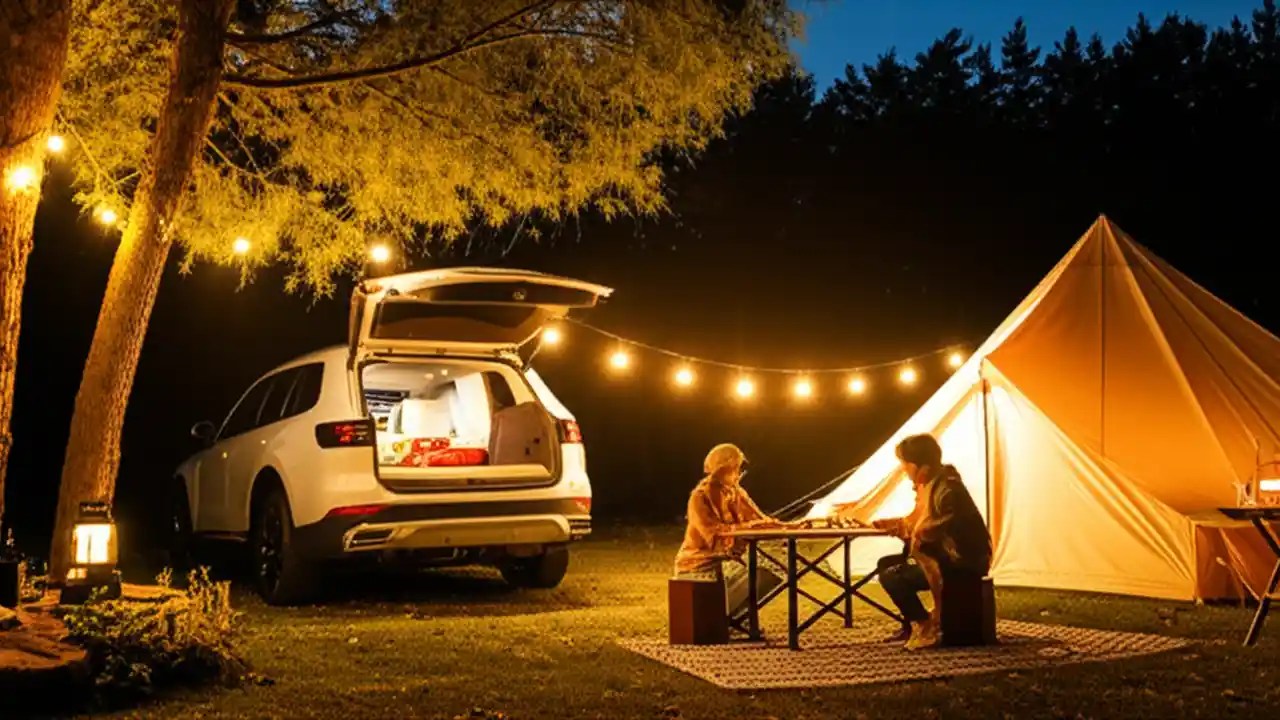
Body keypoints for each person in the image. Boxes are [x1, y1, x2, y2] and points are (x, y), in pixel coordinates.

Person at [870, 433, 992, 650]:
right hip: (945, 555)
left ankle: (928, 626)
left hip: (961, 562)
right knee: (886, 564)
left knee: (893, 577)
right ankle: (912, 625)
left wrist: (916, 532)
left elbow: (941, 525)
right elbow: (920, 519)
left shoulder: (948, 488)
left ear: (922, 467)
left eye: (906, 464)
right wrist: (896, 524)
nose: (904, 470)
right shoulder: (931, 484)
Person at [673, 443, 787, 620]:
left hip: (726, 563)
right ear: (723, 469)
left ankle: (726, 622)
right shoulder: (700, 497)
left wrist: (794, 526)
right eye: (736, 468)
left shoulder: (738, 493)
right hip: (698, 565)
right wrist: (750, 528)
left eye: (740, 469)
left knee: (772, 572)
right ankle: (718, 621)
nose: (739, 473)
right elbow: (715, 533)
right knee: (757, 575)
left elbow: (761, 520)